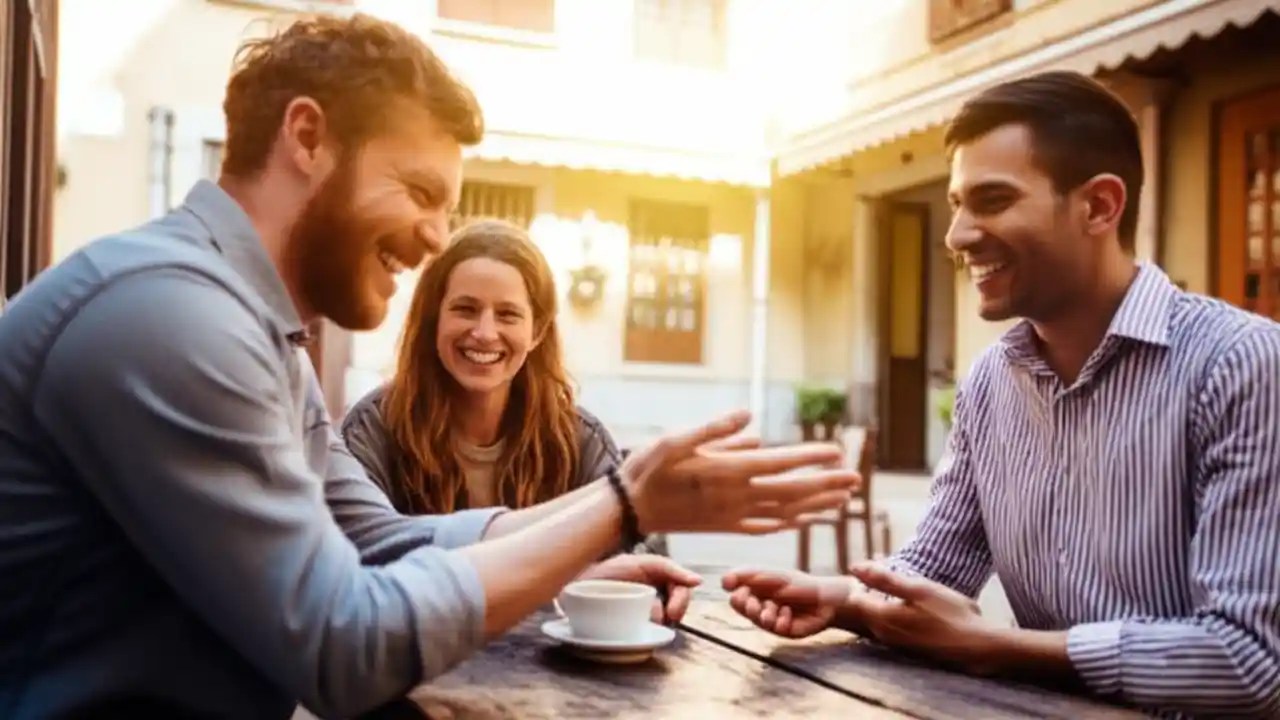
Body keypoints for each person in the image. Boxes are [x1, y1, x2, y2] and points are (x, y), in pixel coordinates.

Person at [0, 14, 858, 720]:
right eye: (418, 190)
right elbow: (344, 648)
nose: (438, 239)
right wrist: (623, 505)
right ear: (308, 137)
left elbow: (380, 540)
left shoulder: (256, 335)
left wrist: (607, 513)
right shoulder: (172, 319)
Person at [722, 70, 1280, 719]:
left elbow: (1250, 661)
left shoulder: (1242, 364)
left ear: (1099, 206)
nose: (957, 235)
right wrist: (843, 599)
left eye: (991, 200)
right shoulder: (991, 381)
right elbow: (935, 572)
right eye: (957, 204)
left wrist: (995, 645)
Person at [341, 219, 665, 553]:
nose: (484, 332)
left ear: (536, 332)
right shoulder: (373, 431)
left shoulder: (578, 441)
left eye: (507, 315)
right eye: (465, 309)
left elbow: (630, 553)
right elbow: (355, 563)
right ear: (433, 319)